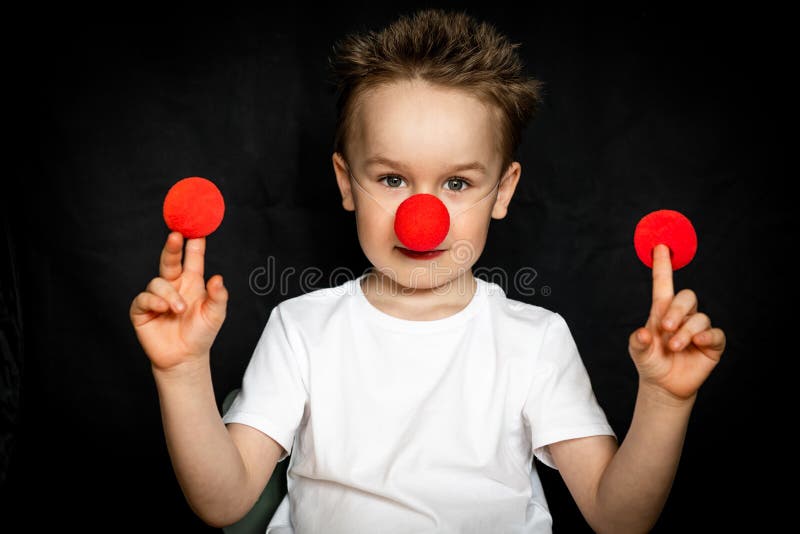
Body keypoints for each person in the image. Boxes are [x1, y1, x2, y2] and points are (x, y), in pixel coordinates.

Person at [129, 8, 726, 533]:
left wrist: (664, 403)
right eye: (392, 180)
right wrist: (181, 370)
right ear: (346, 182)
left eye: (457, 183)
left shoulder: (534, 340)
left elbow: (617, 518)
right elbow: (225, 502)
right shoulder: (301, 327)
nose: (424, 219)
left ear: (503, 190)